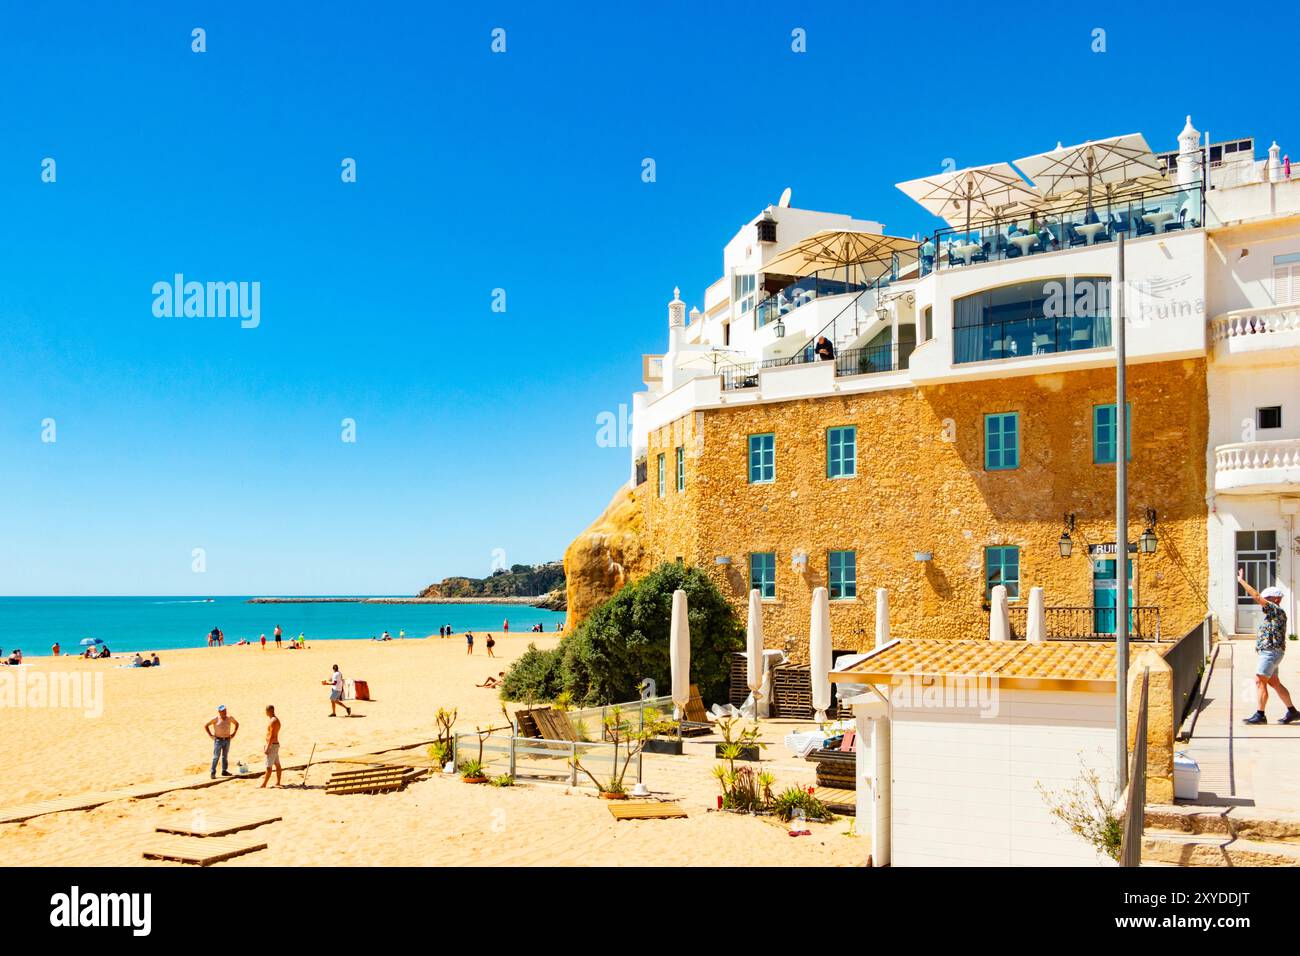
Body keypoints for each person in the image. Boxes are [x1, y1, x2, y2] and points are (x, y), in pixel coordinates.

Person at [1238, 571, 1298, 725]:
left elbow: (1257, 597)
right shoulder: (1274, 613)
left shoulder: (1275, 609)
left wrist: (1241, 581)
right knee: (1274, 682)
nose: (1265, 601)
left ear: (1276, 599)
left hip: (1271, 652)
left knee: (1259, 680)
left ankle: (1260, 715)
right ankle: (1292, 712)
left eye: (1268, 599)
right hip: (1273, 652)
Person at [205, 705, 238, 778]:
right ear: (219, 712)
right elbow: (206, 725)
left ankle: (224, 771)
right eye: (223, 711)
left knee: (225, 756)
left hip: (227, 739)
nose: (225, 712)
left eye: (225, 710)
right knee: (216, 756)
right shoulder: (216, 719)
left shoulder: (229, 718)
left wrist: (234, 733)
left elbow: (237, 724)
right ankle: (213, 772)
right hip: (218, 740)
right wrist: (210, 735)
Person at [260, 705, 282, 788]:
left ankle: (264, 784)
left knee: (268, 766)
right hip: (275, 745)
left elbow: (272, 736)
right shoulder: (275, 720)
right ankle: (278, 782)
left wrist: (267, 747)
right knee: (277, 764)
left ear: (268, 711)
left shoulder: (273, 721)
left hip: (272, 745)